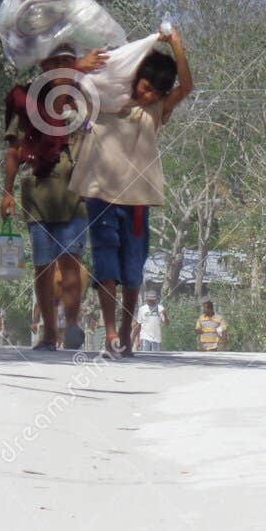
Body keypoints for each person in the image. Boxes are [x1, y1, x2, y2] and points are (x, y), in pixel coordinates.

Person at [68, 25, 193, 358]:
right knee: (105, 263)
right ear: (136, 77)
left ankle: (125, 332)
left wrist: (176, 45)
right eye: (146, 86)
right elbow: (65, 88)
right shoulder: (101, 102)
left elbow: (188, 86)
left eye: (156, 92)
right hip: (100, 197)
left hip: (137, 202)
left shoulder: (152, 112)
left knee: (132, 269)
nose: (149, 94)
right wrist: (78, 66)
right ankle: (111, 334)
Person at [1, 45, 108, 351]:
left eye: (68, 61)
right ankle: (49, 332)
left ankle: (72, 325)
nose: (64, 66)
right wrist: (7, 192)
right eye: (57, 62)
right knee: (43, 265)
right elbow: (13, 151)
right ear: (43, 64)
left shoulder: (81, 97)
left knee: (72, 261)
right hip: (37, 190)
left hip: (75, 190)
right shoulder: (25, 99)